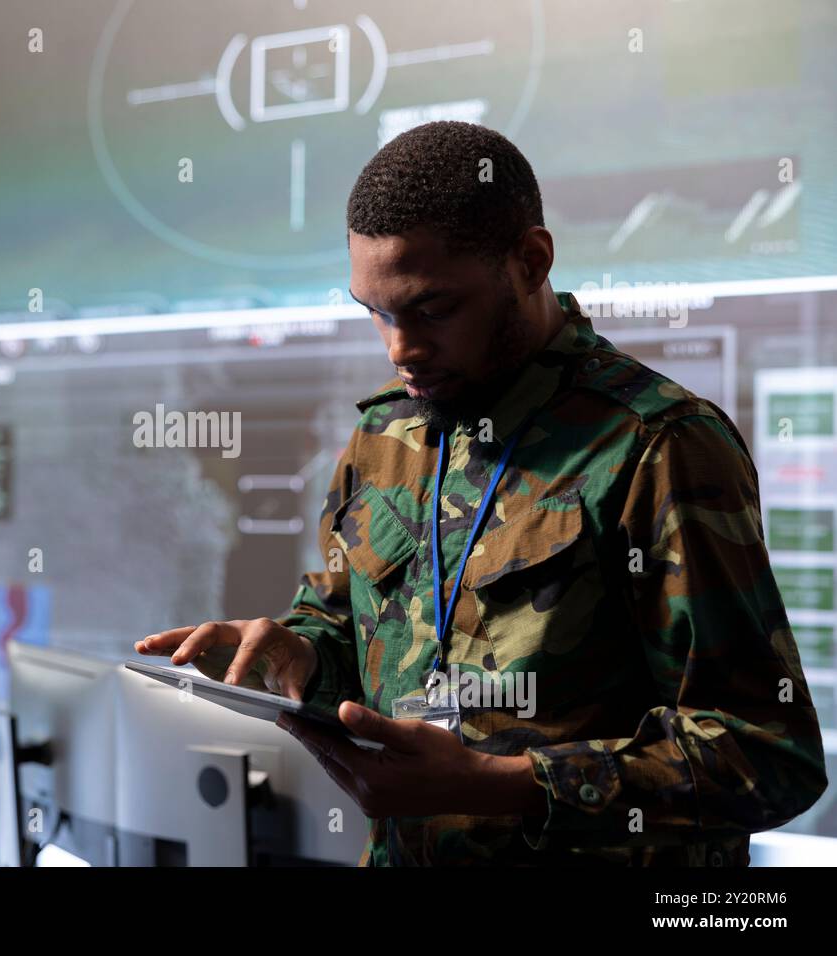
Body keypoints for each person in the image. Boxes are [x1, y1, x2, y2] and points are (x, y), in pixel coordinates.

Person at [136, 121, 827, 865]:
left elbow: (769, 756)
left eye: (433, 310)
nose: (401, 348)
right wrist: (297, 655)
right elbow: (346, 625)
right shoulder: (387, 438)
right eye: (377, 312)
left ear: (530, 262)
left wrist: (507, 784)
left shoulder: (657, 447)